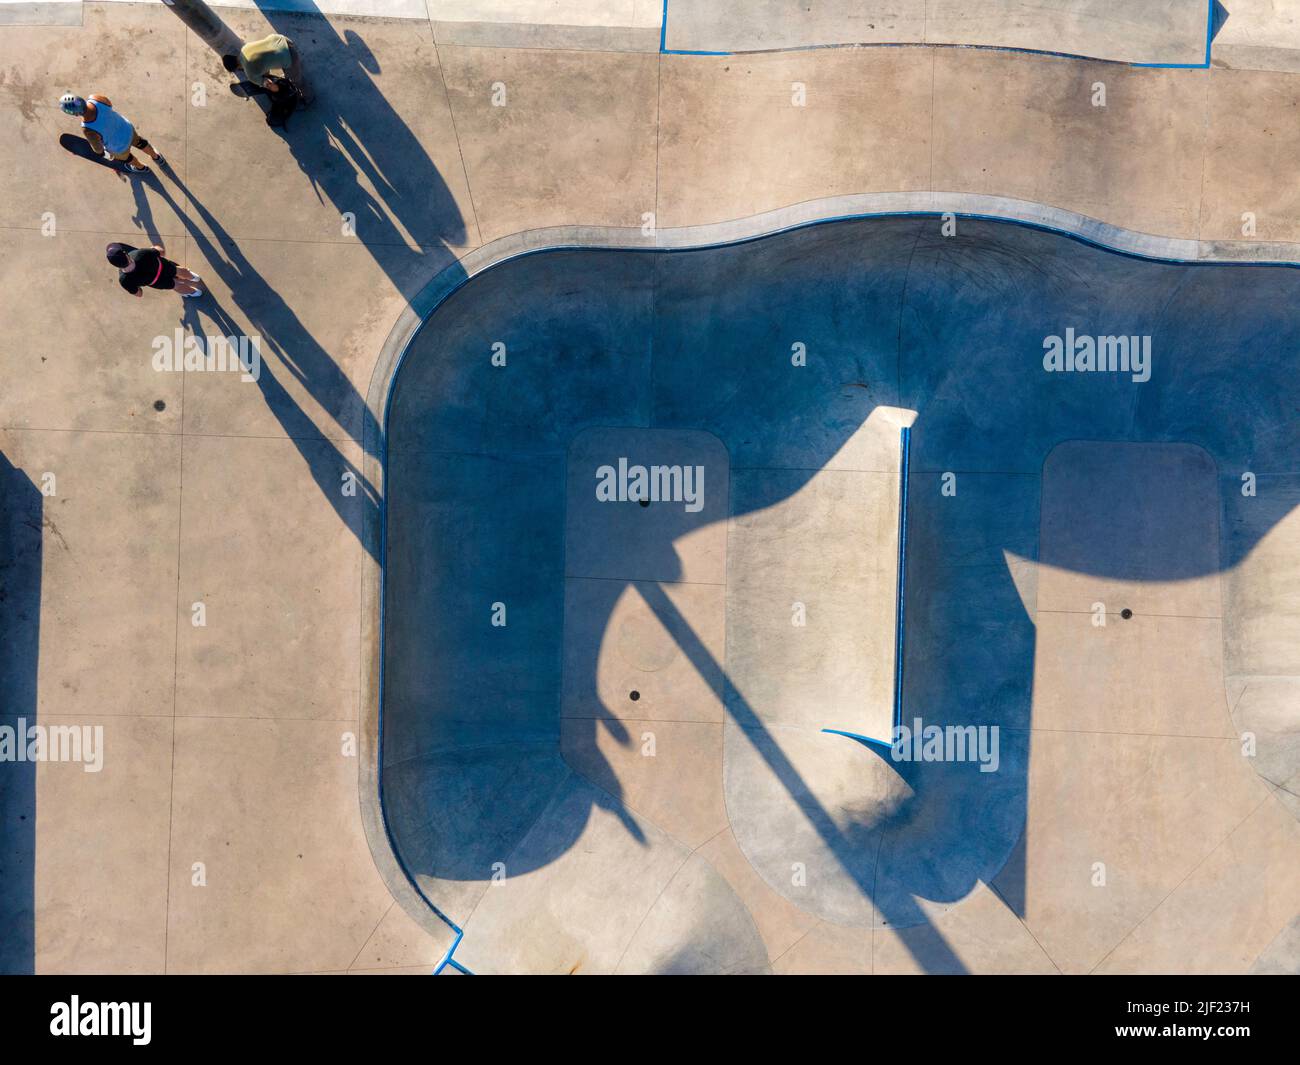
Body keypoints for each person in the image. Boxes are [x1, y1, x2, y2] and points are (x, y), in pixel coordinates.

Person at [60, 93, 162, 174]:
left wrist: (102, 154)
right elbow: (109, 103)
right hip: (127, 129)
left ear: (76, 114)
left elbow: (97, 148)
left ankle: (141, 168)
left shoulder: (87, 128)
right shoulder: (95, 98)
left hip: (119, 147)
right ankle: (156, 157)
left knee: (127, 158)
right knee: (140, 142)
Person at [223, 34, 311, 105]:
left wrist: (278, 91)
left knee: (297, 81)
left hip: (290, 56)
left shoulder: (250, 73)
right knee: (287, 68)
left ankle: (309, 98)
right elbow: (262, 62)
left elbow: (274, 87)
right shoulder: (244, 49)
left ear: (236, 69)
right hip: (282, 39)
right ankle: (294, 69)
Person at [106, 242, 203, 299]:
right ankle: (193, 277)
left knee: (176, 285)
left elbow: (139, 294)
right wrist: (153, 248)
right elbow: (161, 252)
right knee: (180, 271)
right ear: (126, 255)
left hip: (157, 282)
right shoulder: (139, 254)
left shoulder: (124, 280)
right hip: (164, 267)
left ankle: (194, 292)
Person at [231, 73, 302, 128]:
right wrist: (266, 83)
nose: (269, 85)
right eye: (269, 84)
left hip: (285, 103)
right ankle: (246, 88)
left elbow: (283, 97)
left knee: (272, 120)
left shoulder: (284, 95)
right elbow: (270, 83)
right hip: (277, 92)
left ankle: (277, 119)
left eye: (270, 85)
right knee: (261, 84)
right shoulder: (274, 81)